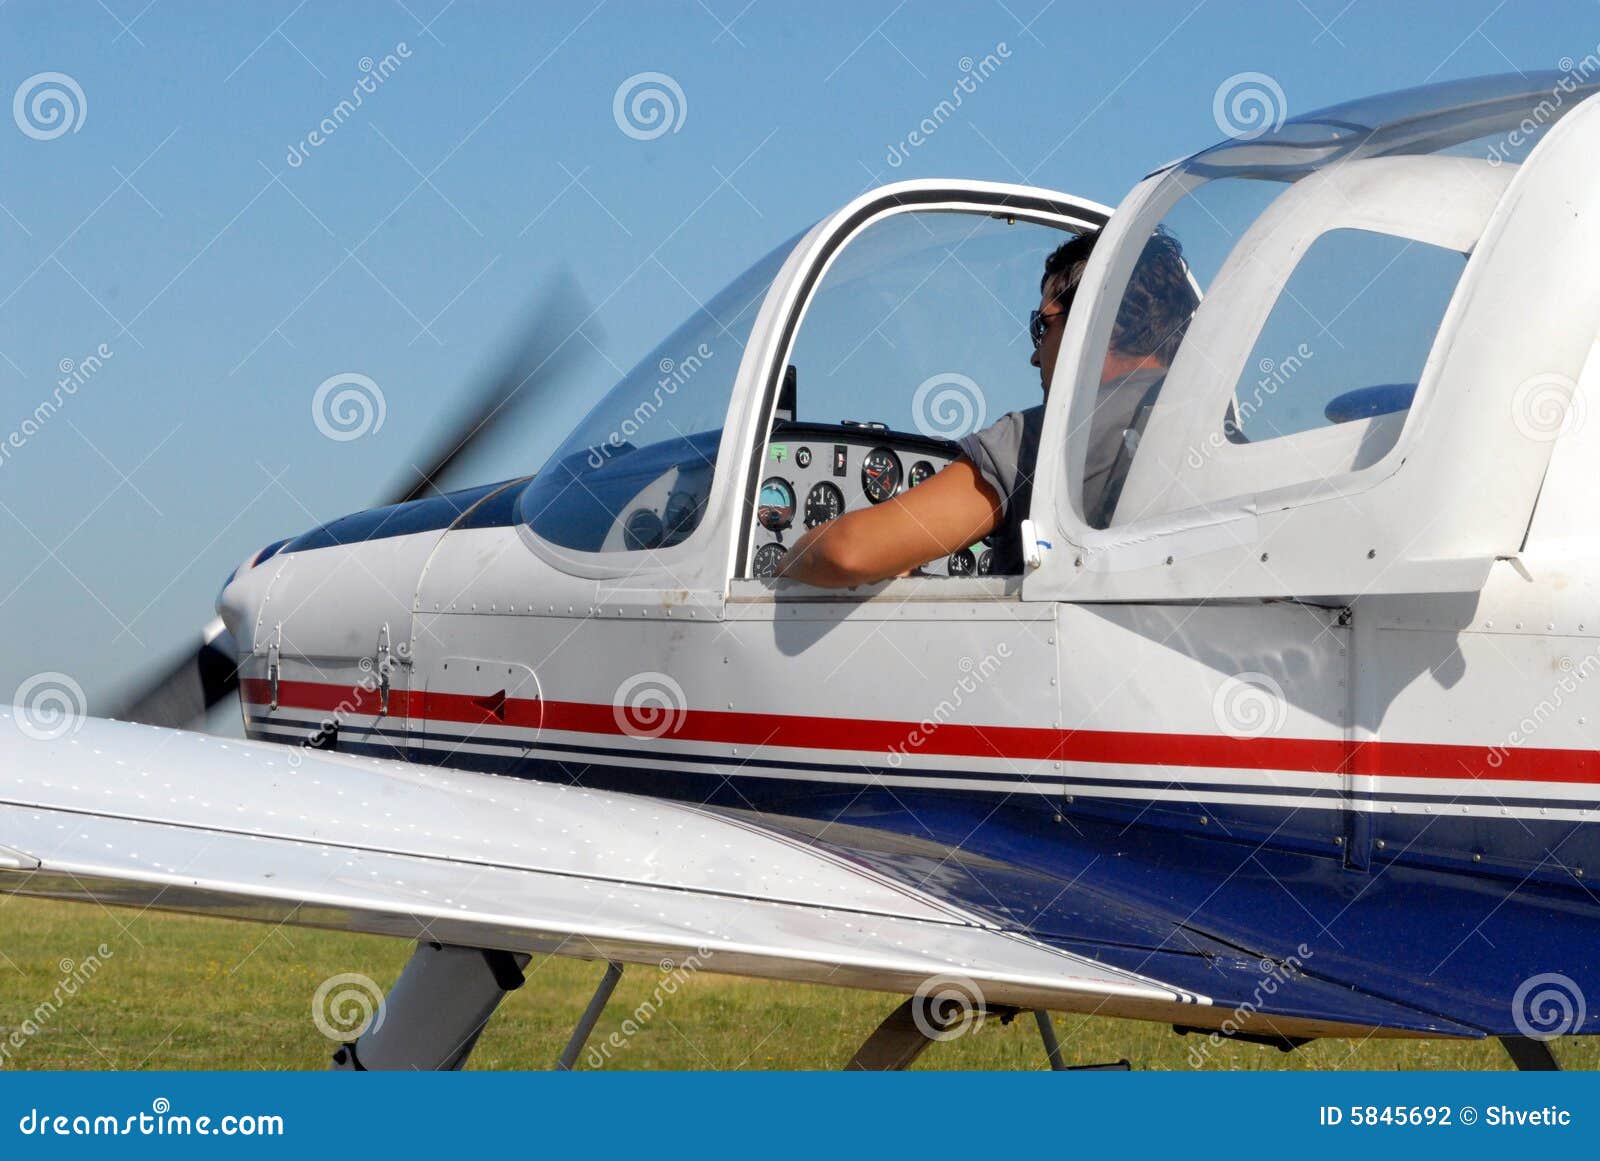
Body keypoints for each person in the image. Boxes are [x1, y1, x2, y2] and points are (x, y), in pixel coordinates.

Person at [775, 228, 1197, 587]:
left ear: (1093, 321)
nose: (1035, 356)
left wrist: (787, 562)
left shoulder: (1043, 439)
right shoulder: (1209, 432)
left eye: (1041, 325)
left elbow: (848, 554)